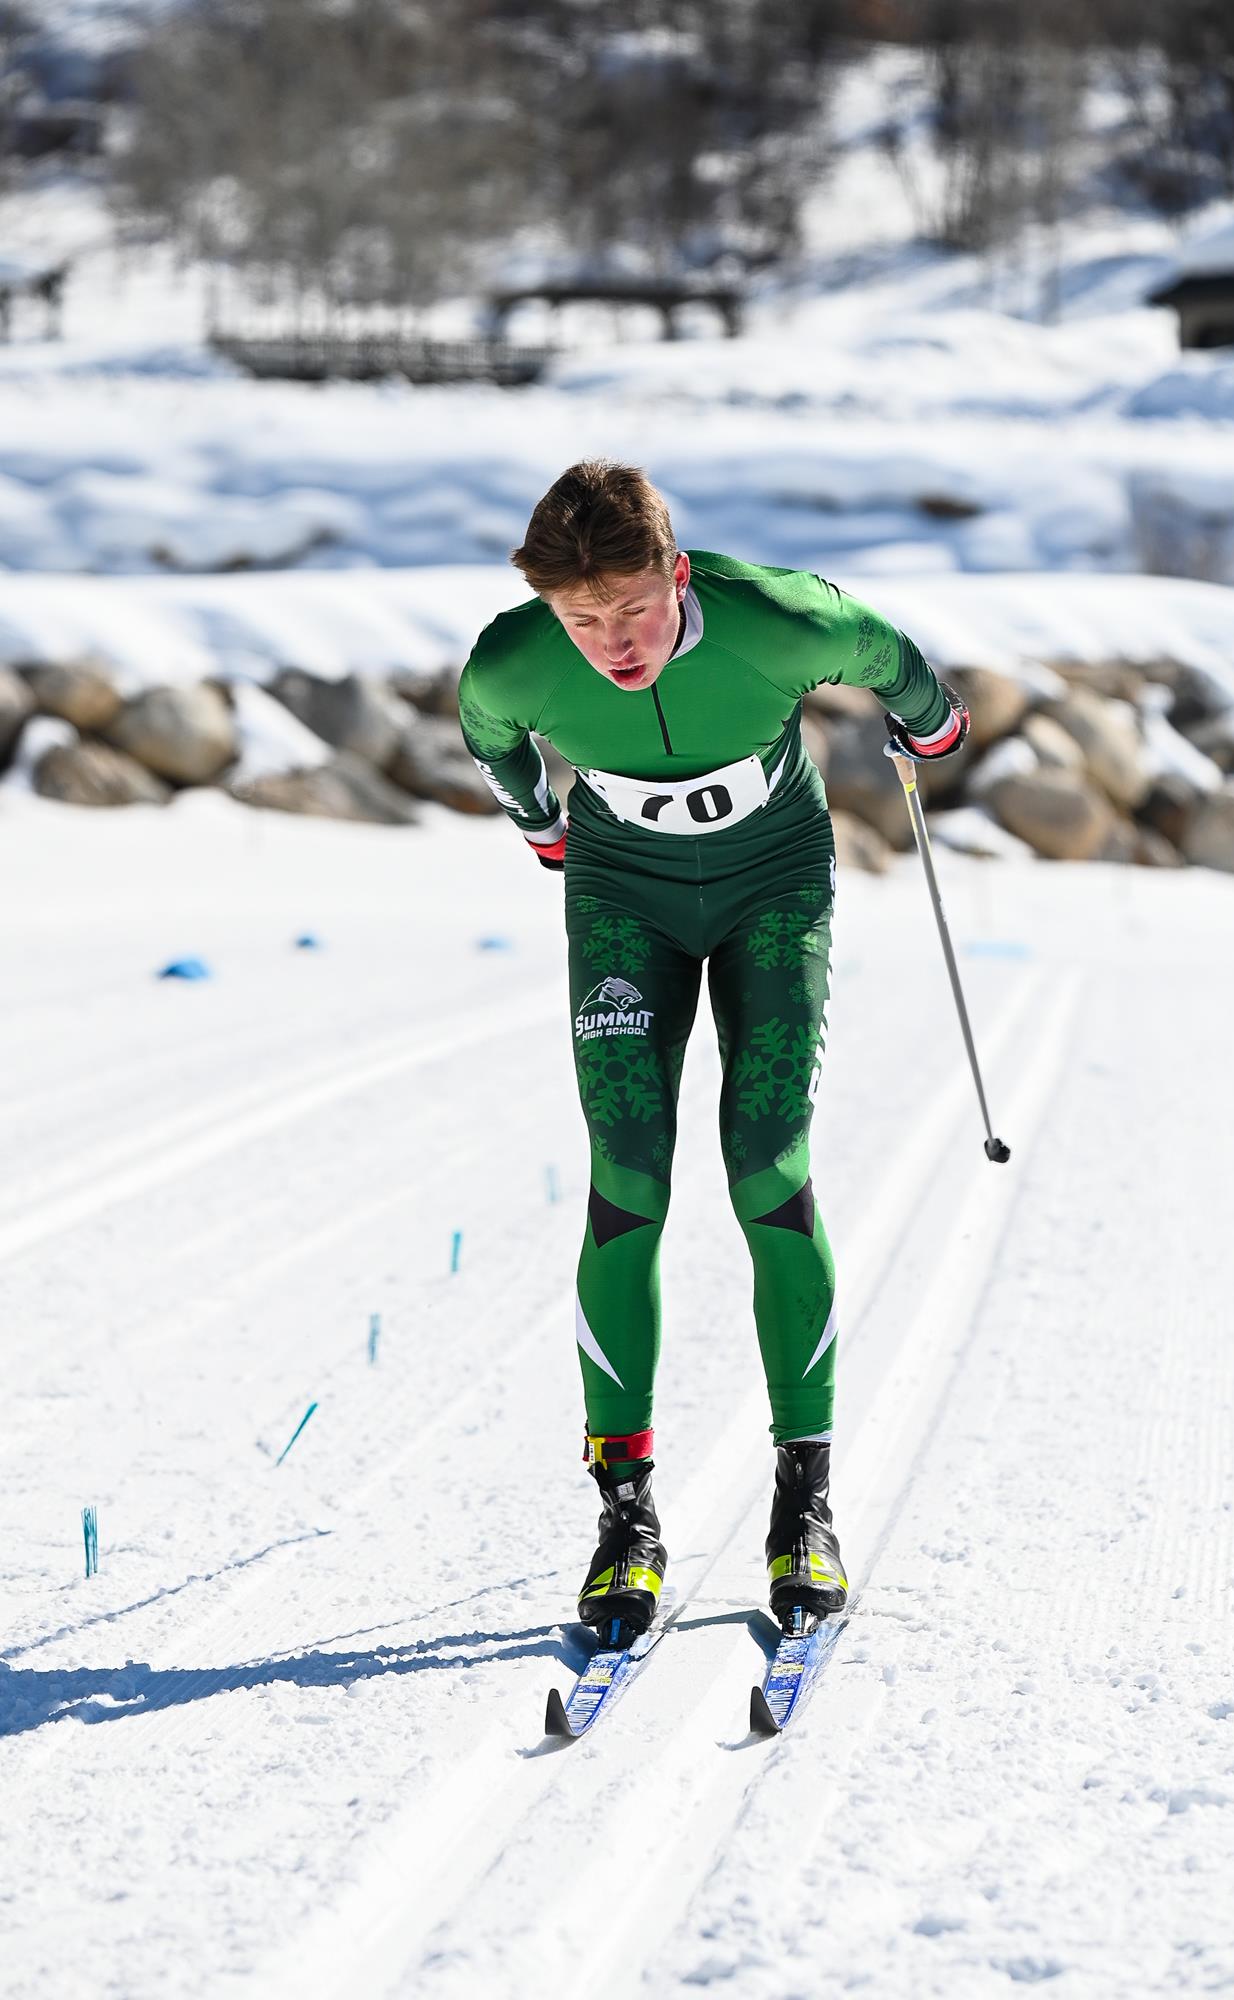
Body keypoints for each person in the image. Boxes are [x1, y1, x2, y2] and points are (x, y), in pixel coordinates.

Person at [458, 460, 967, 1645]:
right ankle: (623, 1518)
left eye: (631, 607)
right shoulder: (512, 658)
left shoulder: (776, 618)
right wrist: (545, 827)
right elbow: (493, 740)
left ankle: (805, 1499)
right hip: (622, 895)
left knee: (766, 1164)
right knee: (628, 1172)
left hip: (772, 886)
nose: (613, 643)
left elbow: (888, 653)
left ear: (676, 574)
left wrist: (930, 723)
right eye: (582, 620)